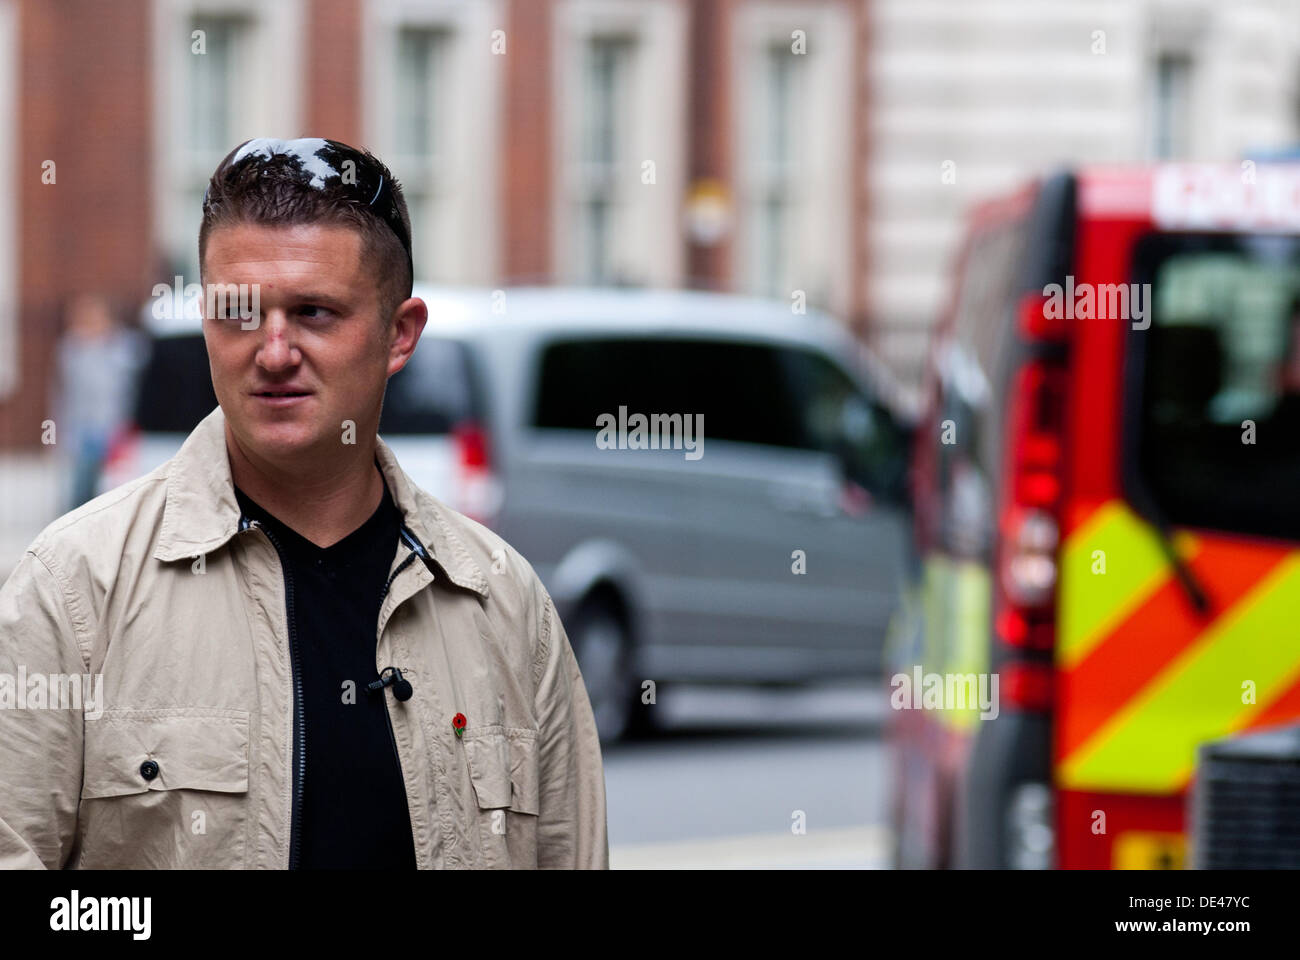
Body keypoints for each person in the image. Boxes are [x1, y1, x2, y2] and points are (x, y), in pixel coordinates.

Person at [0, 137, 608, 869]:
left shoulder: (505, 606)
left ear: (399, 333)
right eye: (238, 311)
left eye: (315, 312)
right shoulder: (72, 590)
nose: (274, 349)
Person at [52, 294, 146, 509]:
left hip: (116, 427)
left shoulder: (125, 347)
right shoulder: (72, 350)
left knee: (115, 488)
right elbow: (63, 393)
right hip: (83, 427)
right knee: (81, 488)